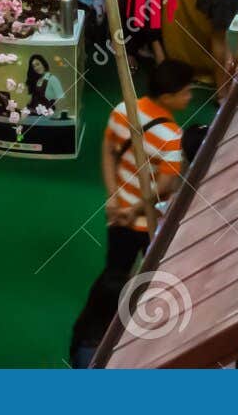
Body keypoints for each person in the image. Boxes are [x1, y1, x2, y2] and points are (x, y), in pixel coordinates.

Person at [68, 59, 195, 367]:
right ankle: (130, 336)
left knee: (115, 272)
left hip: (119, 216)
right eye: (186, 92)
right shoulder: (171, 137)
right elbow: (165, 186)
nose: (190, 97)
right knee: (149, 280)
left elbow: (108, 151)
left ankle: (95, 330)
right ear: (168, 97)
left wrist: (114, 199)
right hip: (144, 222)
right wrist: (134, 208)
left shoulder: (123, 110)